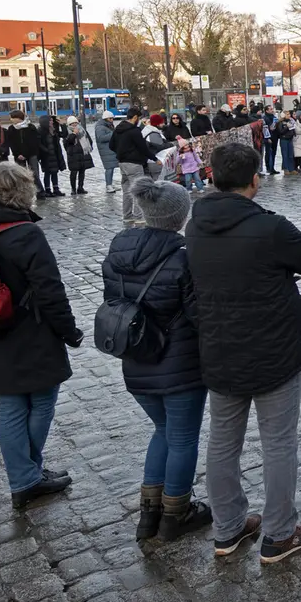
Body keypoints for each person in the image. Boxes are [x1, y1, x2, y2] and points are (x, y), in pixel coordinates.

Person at [184, 141, 301, 563]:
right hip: (273, 350)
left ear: (211, 177)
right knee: (279, 442)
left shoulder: (195, 223)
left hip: (219, 347)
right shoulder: (269, 226)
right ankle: (280, 534)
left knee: (223, 441)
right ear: (254, 180)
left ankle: (227, 529)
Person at [0, 163, 81, 509]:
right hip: (30, 330)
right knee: (41, 401)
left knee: (11, 406)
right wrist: (68, 331)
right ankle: (28, 476)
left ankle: (24, 475)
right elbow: (50, 290)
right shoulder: (24, 233)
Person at [103, 178, 211, 541]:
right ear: (180, 216)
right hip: (179, 363)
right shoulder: (185, 256)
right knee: (182, 438)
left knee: (163, 431)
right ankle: (175, 515)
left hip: (136, 356)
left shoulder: (119, 246)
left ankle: (149, 515)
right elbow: (199, 315)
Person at [112, 108, 158, 227]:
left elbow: (111, 145)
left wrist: (121, 152)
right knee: (138, 191)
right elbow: (143, 148)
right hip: (134, 164)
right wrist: (155, 158)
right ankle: (139, 217)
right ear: (135, 118)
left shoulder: (118, 129)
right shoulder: (135, 131)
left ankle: (127, 216)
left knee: (126, 191)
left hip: (122, 163)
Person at [36, 114, 67, 198]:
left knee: (55, 172)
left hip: (55, 154)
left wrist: (62, 125)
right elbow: (39, 143)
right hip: (46, 156)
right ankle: (48, 190)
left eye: (52, 121)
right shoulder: (40, 131)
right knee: (47, 173)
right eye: (50, 121)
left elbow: (64, 134)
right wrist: (46, 150)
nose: (52, 122)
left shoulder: (53, 130)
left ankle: (56, 189)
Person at [63, 119, 94, 195]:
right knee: (73, 173)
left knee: (82, 172)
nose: (74, 124)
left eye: (75, 123)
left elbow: (89, 139)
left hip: (82, 153)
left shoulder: (82, 130)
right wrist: (74, 133)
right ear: (69, 124)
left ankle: (80, 188)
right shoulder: (67, 131)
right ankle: (73, 189)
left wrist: (88, 147)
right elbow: (68, 142)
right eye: (72, 123)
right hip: (73, 155)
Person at [92, 111, 120, 193]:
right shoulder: (100, 127)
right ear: (105, 119)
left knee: (112, 167)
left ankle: (110, 184)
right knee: (109, 168)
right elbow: (101, 138)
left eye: (112, 118)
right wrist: (113, 134)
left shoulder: (108, 125)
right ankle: (108, 185)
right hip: (105, 150)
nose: (112, 120)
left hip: (110, 149)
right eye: (110, 118)